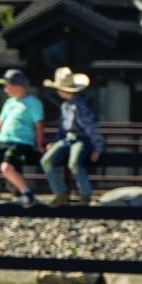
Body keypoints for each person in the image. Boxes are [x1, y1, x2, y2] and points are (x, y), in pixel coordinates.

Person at [0, 66, 46, 206]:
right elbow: (0, 123)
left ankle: (26, 193)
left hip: (21, 142)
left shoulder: (34, 103)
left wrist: (39, 144)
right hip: (2, 141)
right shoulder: (9, 102)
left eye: (7, 85)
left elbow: (39, 125)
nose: (5, 89)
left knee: (6, 168)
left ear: (17, 86)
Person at [41, 66, 103, 205]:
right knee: (46, 161)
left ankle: (85, 194)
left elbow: (90, 127)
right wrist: (55, 142)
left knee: (74, 163)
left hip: (81, 139)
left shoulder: (79, 106)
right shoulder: (65, 106)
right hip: (67, 139)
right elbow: (63, 129)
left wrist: (97, 147)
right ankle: (60, 193)